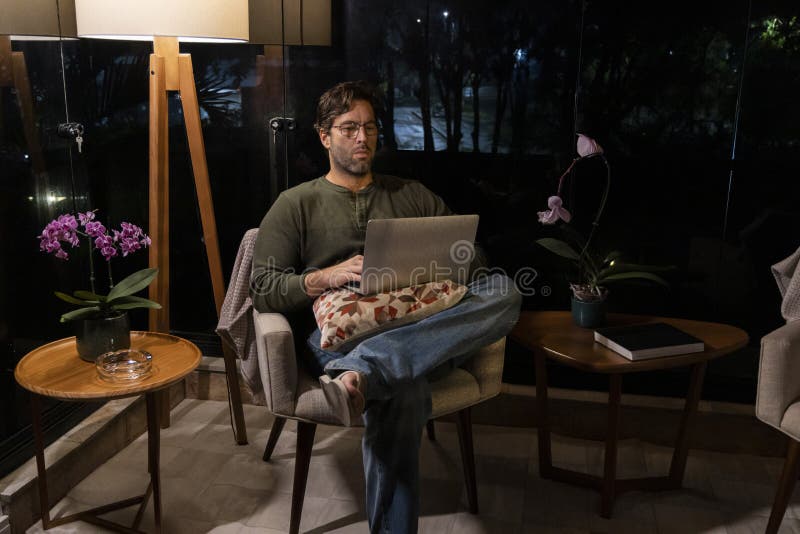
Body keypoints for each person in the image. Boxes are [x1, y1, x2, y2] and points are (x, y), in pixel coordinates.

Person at [250, 80, 521, 533]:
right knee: (405, 389)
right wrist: (326, 276)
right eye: (349, 128)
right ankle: (373, 369)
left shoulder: (411, 194)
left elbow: (473, 260)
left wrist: (431, 263)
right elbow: (263, 288)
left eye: (370, 128)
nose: (362, 138)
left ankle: (371, 370)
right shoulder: (295, 204)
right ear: (324, 135)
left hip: (419, 327)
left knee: (505, 291)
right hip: (339, 339)